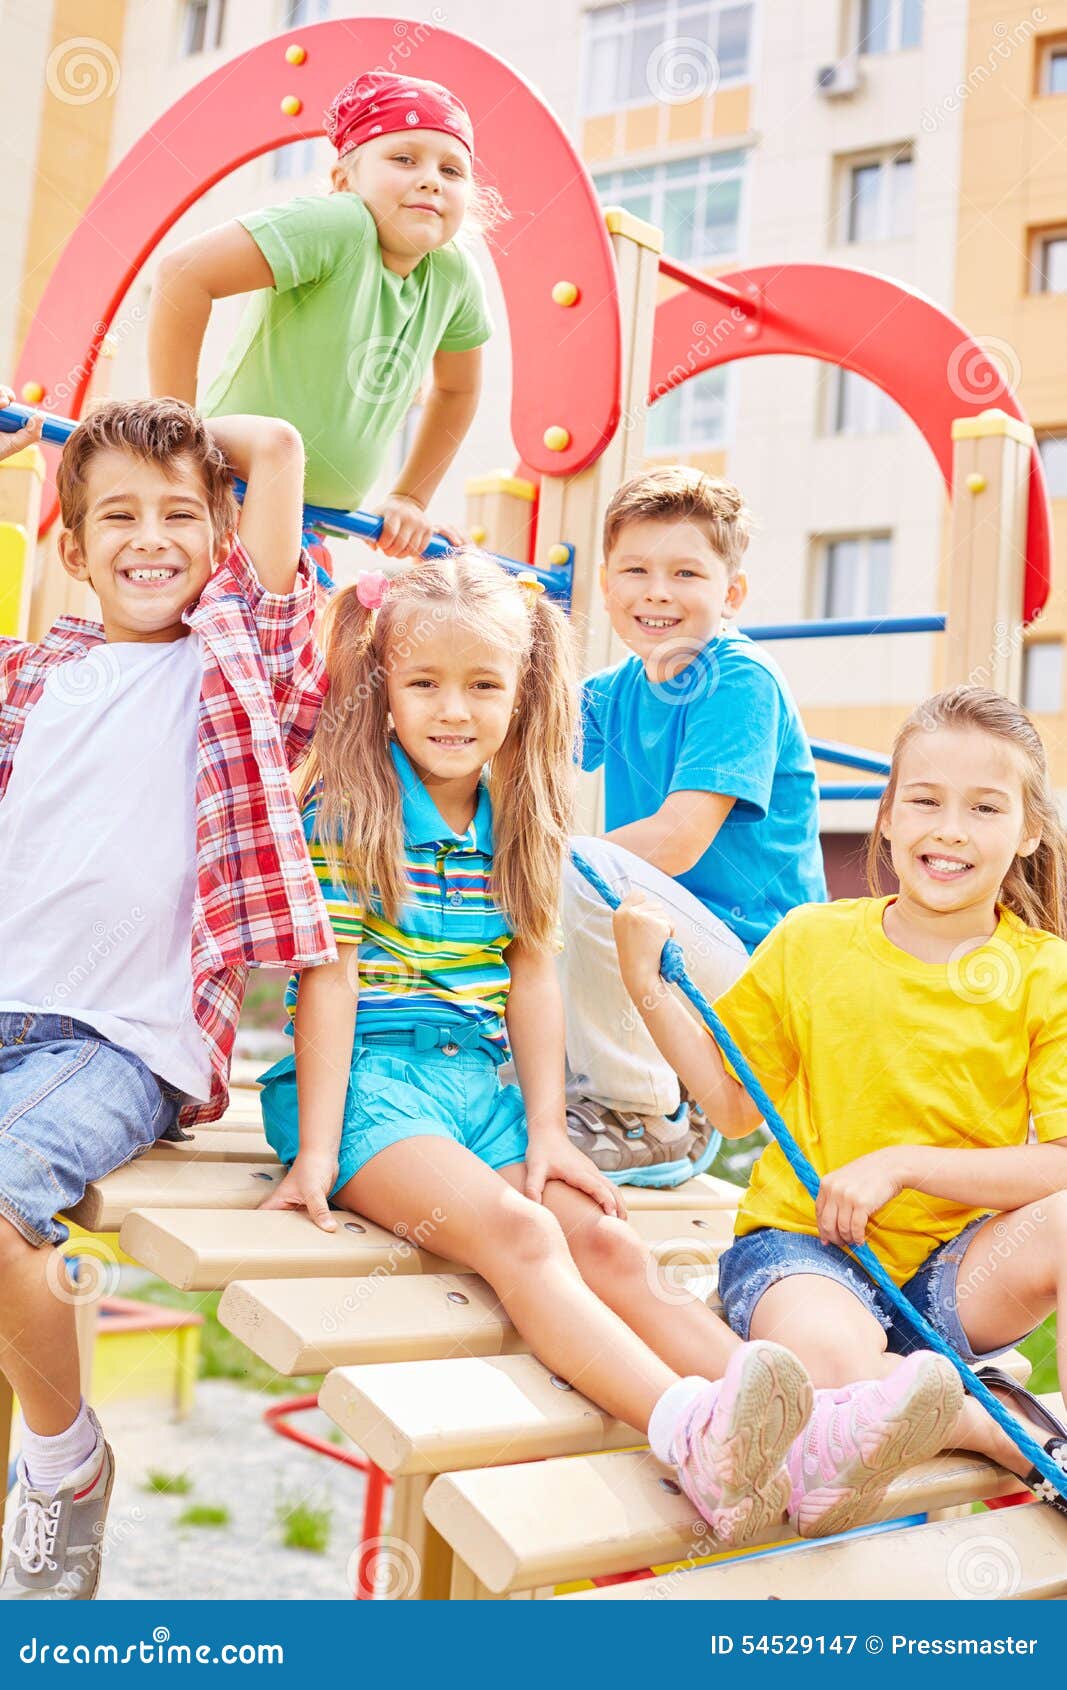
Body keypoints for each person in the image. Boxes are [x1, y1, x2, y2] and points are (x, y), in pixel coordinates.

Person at [254, 549, 962, 1546]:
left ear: (523, 690)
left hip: (482, 1090)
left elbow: (532, 980)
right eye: (423, 685)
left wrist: (550, 1131)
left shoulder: (522, 820)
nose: (452, 710)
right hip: (370, 1089)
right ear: (383, 690)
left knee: (607, 1243)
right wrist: (319, 1155)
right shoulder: (347, 810)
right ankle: (688, 1433)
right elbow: (328, 985)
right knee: (523, 1236)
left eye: (482, 685)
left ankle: (816, 1437)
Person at [0, 394, 336, 1598]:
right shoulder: (29, 676)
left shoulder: (232, 661)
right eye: (118, 517)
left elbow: (276, 446)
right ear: (70, 547)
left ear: (222, 535)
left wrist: (96, 427)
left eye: (180, 514)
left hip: (116, 1041)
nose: (150, 538)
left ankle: (64, 1459)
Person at [612, 685, 1067, 1518]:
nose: (949, 830)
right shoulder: (813, 940)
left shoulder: (1046, 972)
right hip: (807, 1252)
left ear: (1028, 830)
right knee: (821, 1365)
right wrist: (646, 983)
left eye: (984, 807)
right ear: (885, 816)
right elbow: (734, 1106)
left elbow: (1058, 1165)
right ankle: (989, 1422)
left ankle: (963, 1397)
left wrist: (902, 1165)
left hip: (952, 1275)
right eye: (923, 800)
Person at [562, 465, 826, 1168]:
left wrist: (534, 865)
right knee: (510, 861)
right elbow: (514, 748)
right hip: (677, 945)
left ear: (730, 593)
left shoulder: (739, 680)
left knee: (571, 865)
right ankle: (605, 1085)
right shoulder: (616, 690)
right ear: (606, 585)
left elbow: (678, 841)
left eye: (685, 573)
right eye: (636, 570)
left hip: (760, 965)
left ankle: (640, 1110)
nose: (656, 591)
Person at [147, 71, 495, 560]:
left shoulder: (454, 273)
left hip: (309, 526)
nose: (431, 180)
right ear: (344, 181)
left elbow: (459, 389)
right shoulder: (342, 225)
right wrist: (174, 434)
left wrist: (411, 497)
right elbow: (183, 274)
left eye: (452, 171)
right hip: (223, 492)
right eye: (404, 159)